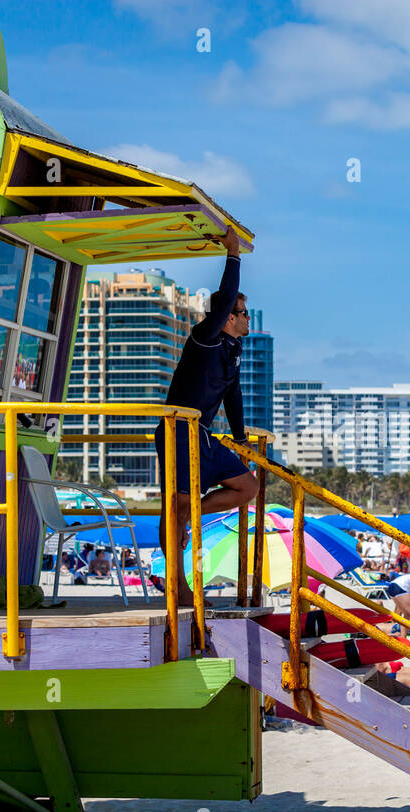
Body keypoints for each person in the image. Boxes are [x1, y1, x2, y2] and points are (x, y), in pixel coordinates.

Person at [156, 228, 259, 606]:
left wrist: (241, 437)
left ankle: (189, 515)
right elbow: (226, 298)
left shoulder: (231, 349)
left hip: (202, 435)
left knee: (248, 488)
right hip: (178, 432)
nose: (248, 318)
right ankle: (179, 587)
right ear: (228, 317)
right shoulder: (206, 337)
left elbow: (232, 393)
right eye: (244, 313)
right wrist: (233, 254)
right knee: (177, 506)